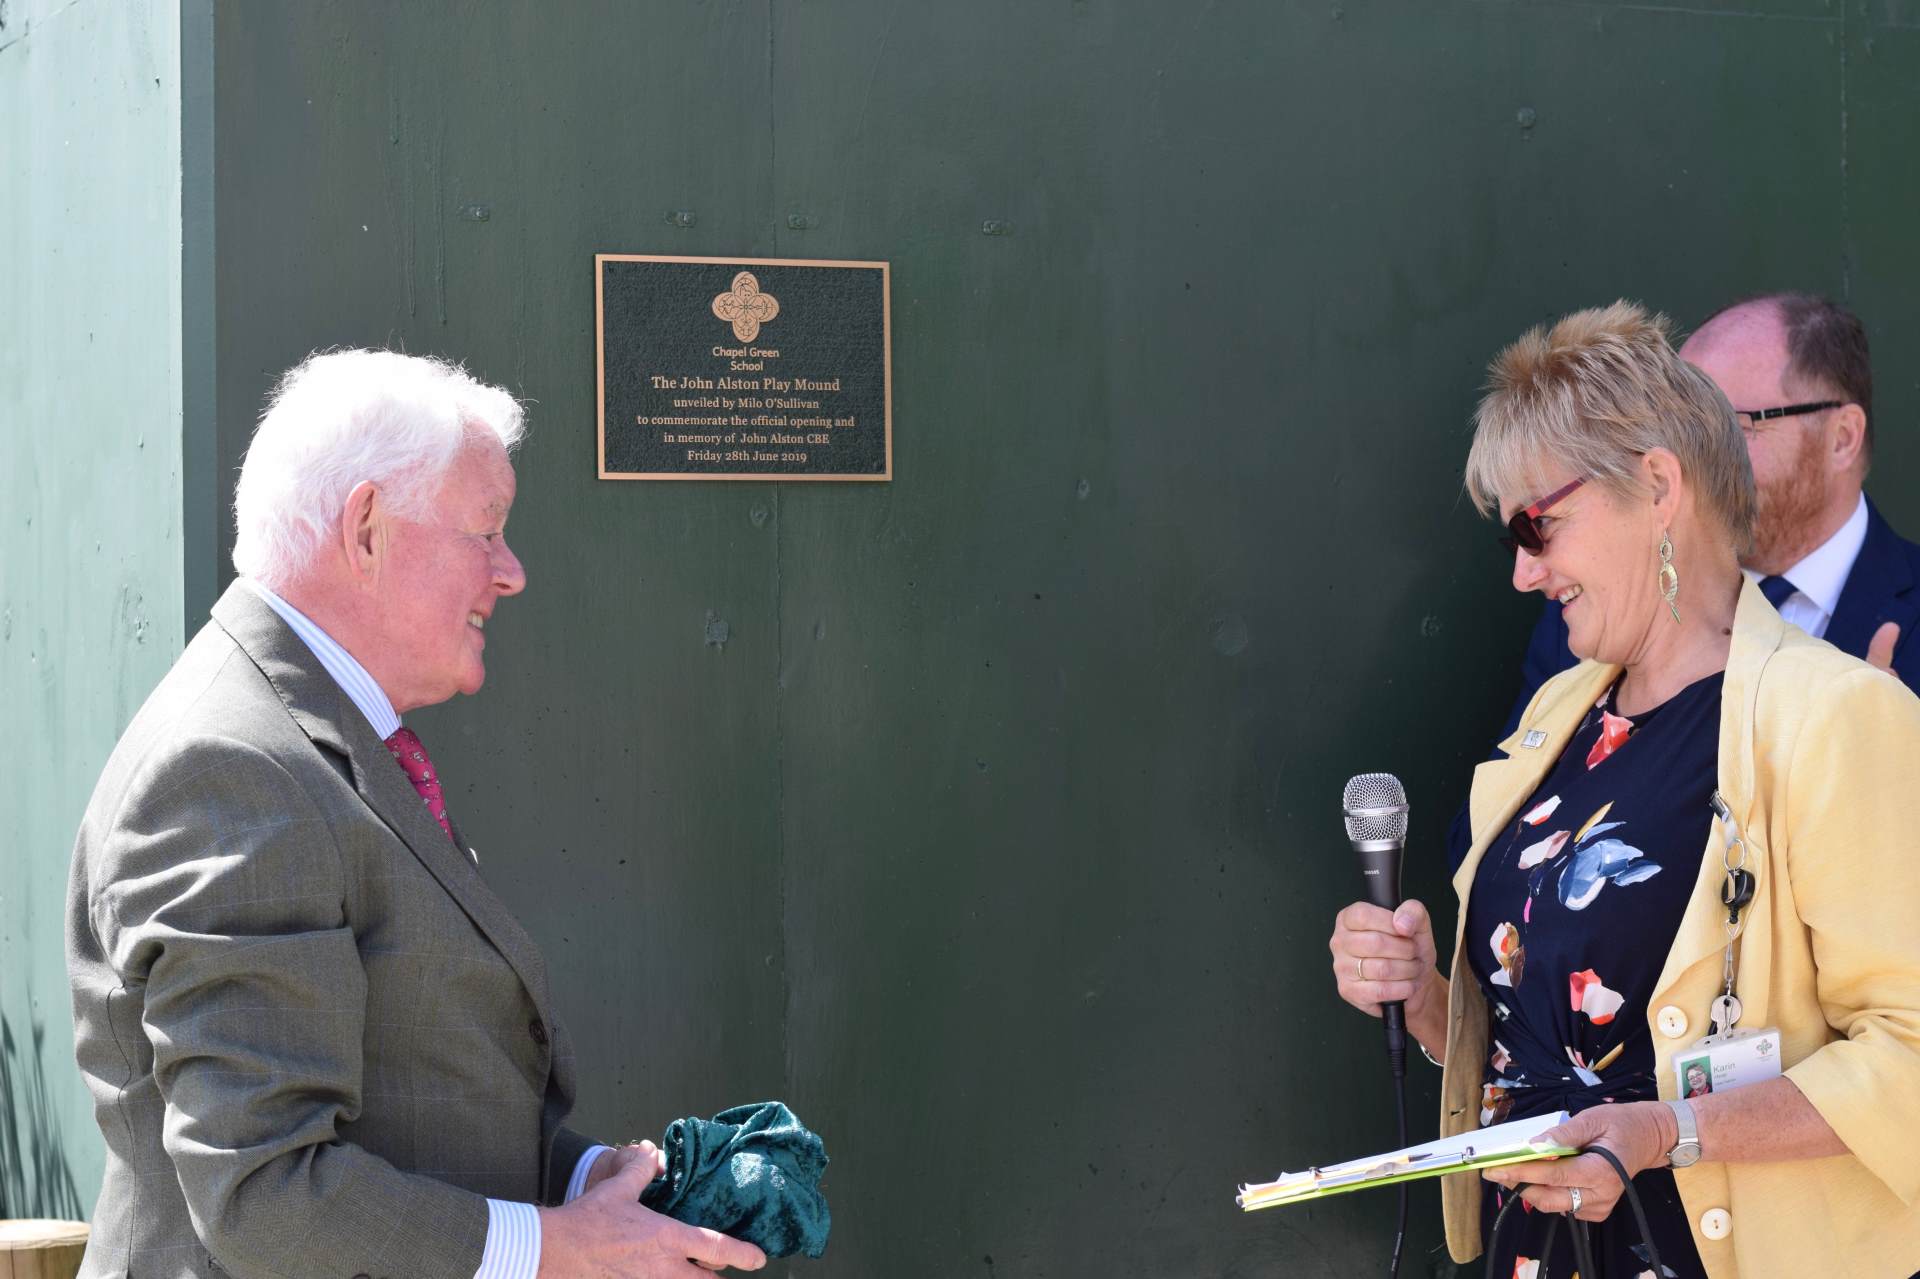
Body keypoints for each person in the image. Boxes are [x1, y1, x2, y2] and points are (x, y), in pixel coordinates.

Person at [65, 351, 767, 1279]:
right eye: (487, 530)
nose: (510, 572)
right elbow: (265, 1193)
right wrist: (561, 1249)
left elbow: (411, 1100)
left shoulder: (311, 739)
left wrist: (600, 1182)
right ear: (367, 530)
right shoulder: (233, 767)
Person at [1328, 304, 1920, 1277]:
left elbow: (1907, 1058)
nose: (1522, 572)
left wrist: (1664, 1132)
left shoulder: (1832, 713)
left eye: (1539, 524)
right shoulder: (1553, 720)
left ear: (1657, 486)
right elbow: (1540, 1051)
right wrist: (1428, 999)